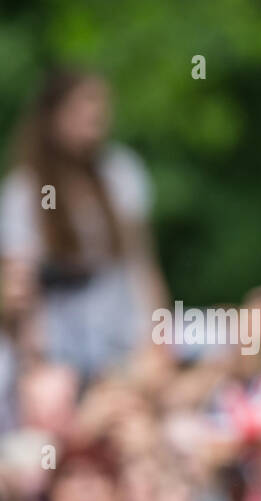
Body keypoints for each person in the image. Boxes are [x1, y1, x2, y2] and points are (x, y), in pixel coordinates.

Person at [0, 69, 166, 381]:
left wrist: (157, 339)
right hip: (58, 351)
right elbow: (20, 290)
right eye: (83, 104)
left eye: (99, 104)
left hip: (121, 345)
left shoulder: (120, 173)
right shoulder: (25, 192)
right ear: (53, 115)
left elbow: (142, 266)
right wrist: (35, 365)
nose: (95, 114)